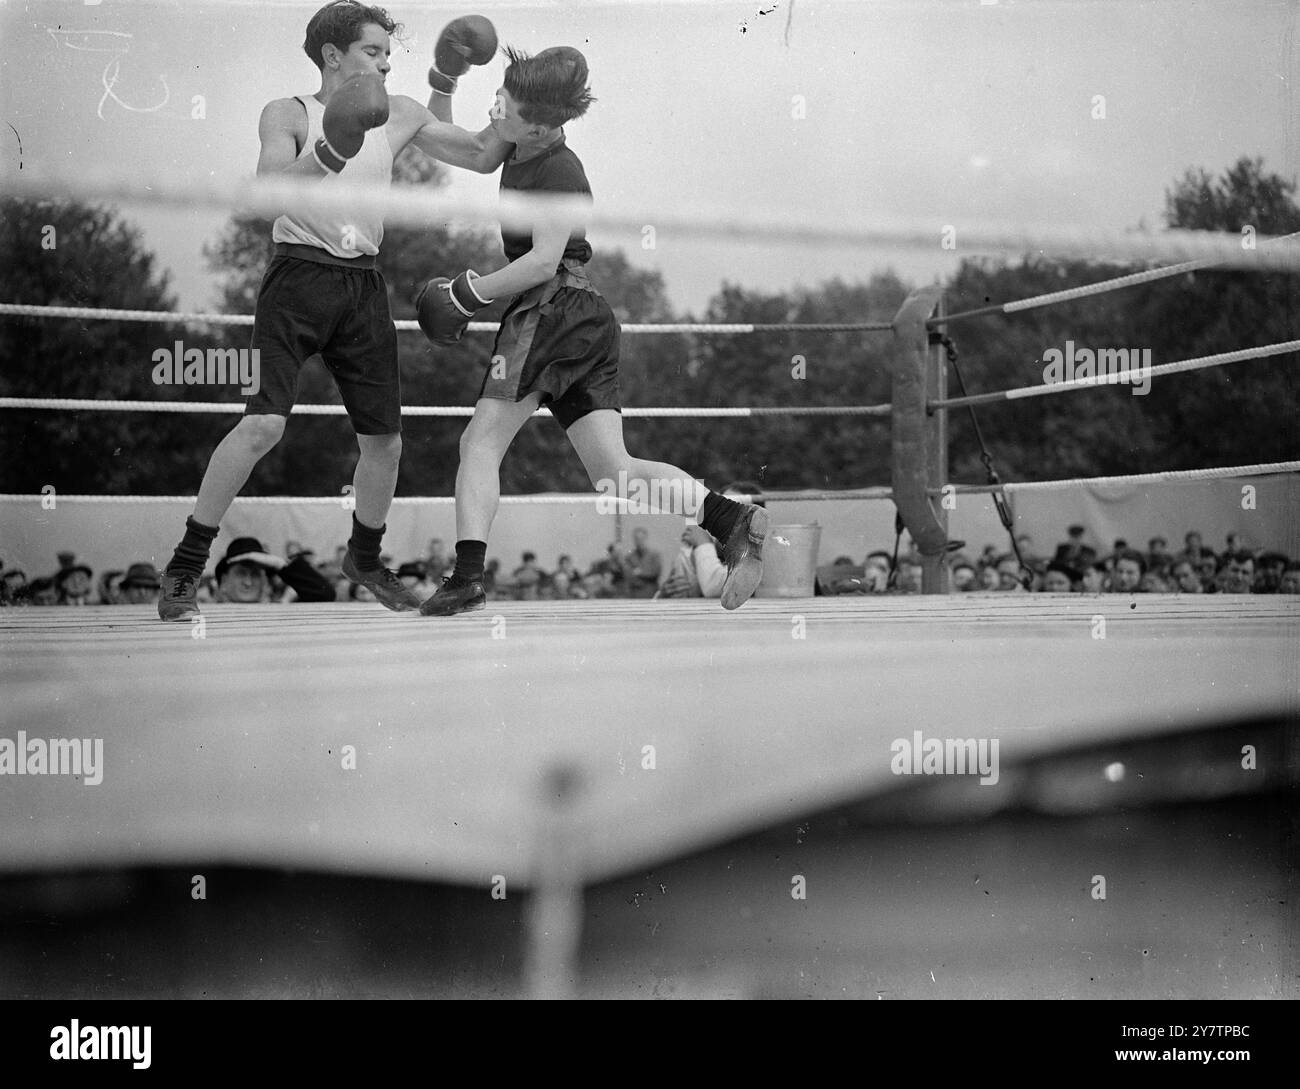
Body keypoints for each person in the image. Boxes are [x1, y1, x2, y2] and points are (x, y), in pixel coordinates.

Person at [156, 3, 508, 622]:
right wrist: (331, 146)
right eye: (373, 53)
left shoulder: (399, 112)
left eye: (388, 57)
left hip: (363, 287)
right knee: (263, 425)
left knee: (386, 443)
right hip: (296, 279)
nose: (383, 65)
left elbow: (482, 154)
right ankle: (185, 566)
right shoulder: (288, 111)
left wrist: (449, 80)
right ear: (332, 55)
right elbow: (265, 195)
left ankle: (365, 559)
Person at [414, 44, 767, 616]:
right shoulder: (521, 133)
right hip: (585, 319)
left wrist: (467, 293)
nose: (496, 109)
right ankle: (732, 518)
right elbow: (469, 151)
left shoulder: (559, 171)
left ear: (538, 125)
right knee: (617, 472)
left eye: (505, 106)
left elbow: (541, 262)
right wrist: (432, 92)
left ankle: (467, 578)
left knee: (479, 442)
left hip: (548, 310)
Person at [213, 538, 337, 604]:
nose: (248, 582)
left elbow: (326, 594)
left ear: (265, 581)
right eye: (241, 574)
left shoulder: (279, 614)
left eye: (255, 574)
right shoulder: (205, 618)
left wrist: (280, 565)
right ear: (224, 581)